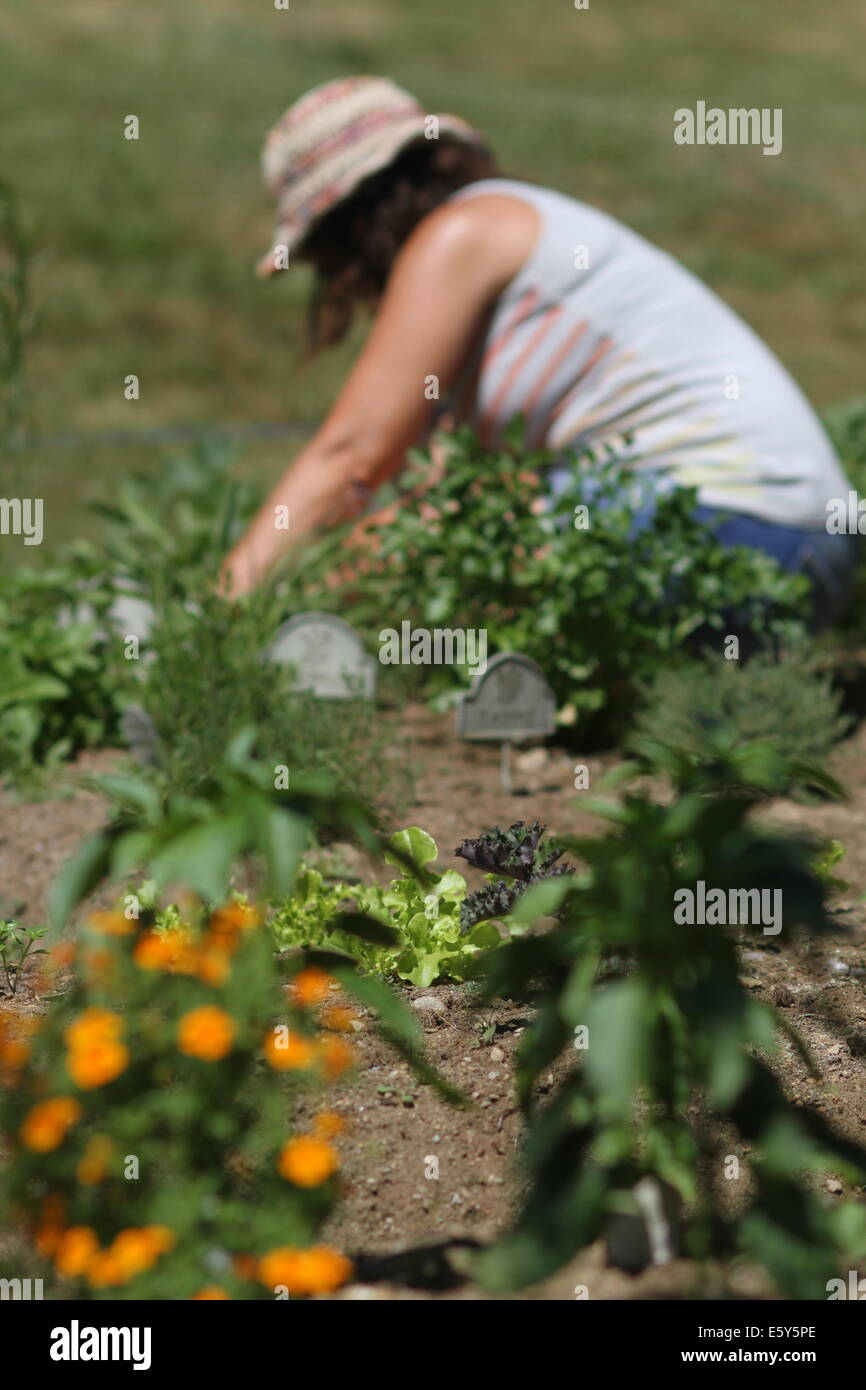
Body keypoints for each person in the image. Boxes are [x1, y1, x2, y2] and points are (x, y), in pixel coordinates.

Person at [221, 75, 856, 625]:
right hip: (810, 552)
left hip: (728, 528)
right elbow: (434, 496)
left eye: (329, 257)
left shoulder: (458, 237)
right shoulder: (513, 241)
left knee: (472, 536)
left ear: (354, 219)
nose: (340, 283)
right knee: (464, 523)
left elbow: (353, 457)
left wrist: (230, 605)